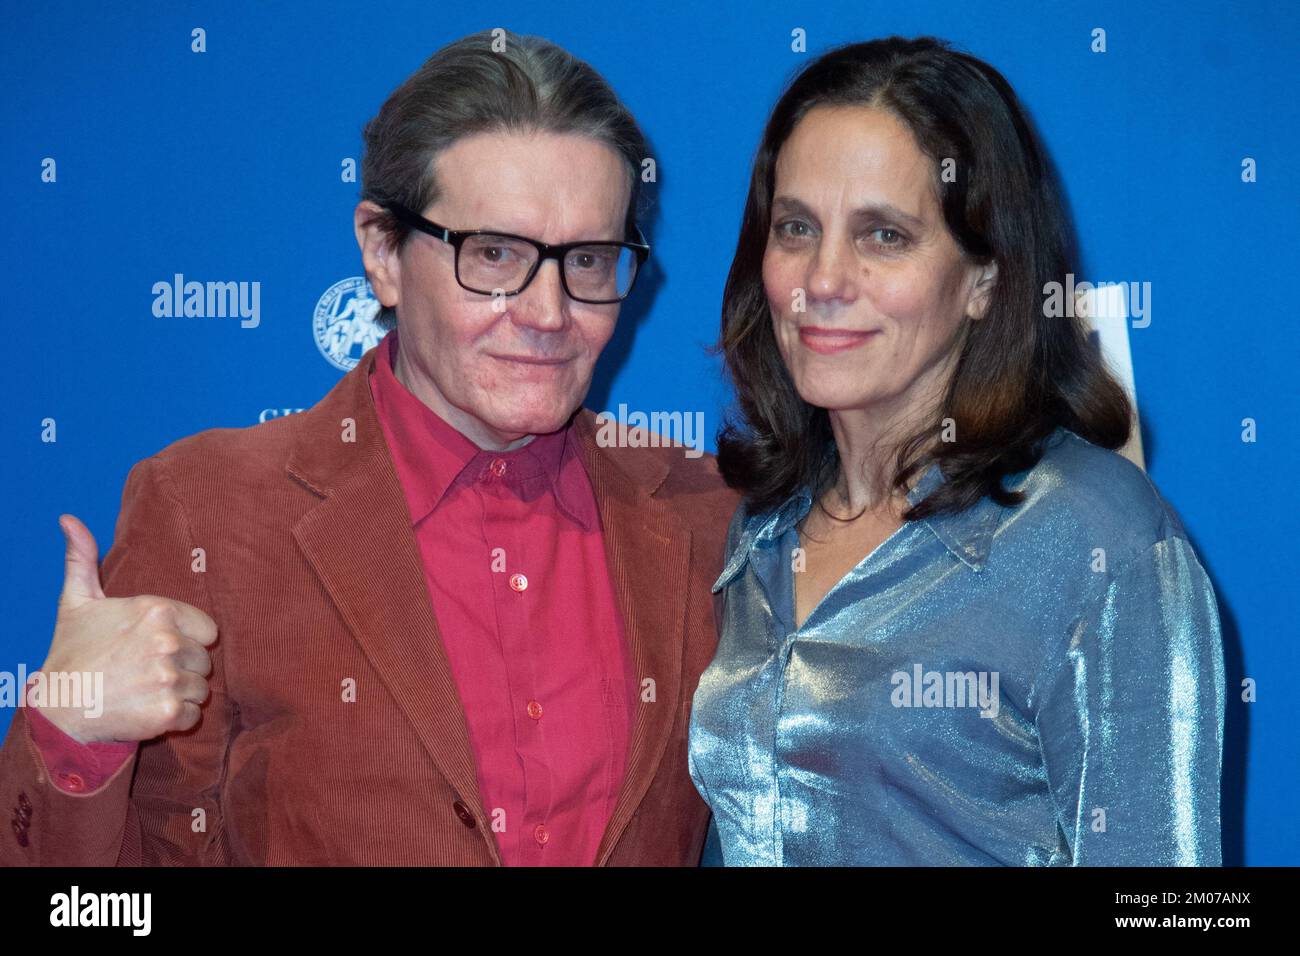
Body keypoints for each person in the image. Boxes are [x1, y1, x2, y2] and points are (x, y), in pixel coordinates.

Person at [1, 29, 738, 866]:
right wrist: (71, 735)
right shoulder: (208, 512)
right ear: (383, 254)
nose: (546, 312)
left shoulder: (706, 516)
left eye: (590, 260)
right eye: (494, 255)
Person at [688, 36, 1225, 866]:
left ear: (984, 279)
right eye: (797, 227)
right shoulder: (758, 531)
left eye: (884, 237)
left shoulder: (1101, 541)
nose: (822, 280)